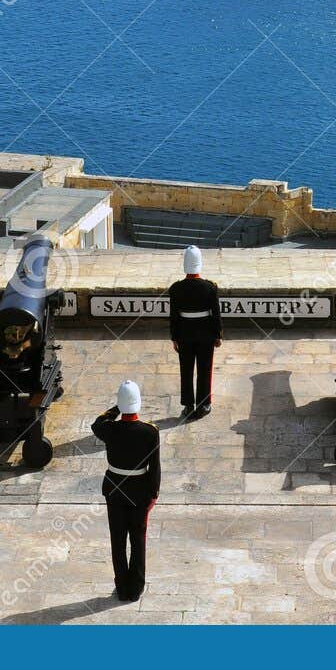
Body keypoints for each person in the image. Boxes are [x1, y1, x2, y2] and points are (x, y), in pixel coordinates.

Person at [92, 380, 160, 602]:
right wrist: (154, 494)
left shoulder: (109, 429)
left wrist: (115, 409)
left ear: (121, 406)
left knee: (118, 540)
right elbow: (155, 467)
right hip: (139, 492)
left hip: (114, 490)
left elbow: (97, 422)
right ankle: (136, 587)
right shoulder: (150, 432)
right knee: (138, 540)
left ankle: (122, 586)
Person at [168, 246, 221, 419]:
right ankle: (204, 404)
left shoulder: (176, 289)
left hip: (184, 334)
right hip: (205, 334)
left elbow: (174, 316)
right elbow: (216, 314)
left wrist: (174, 337)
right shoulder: (210, 288)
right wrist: (217, 335)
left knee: (186, 369)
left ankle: (188, 405)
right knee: (205, 369)